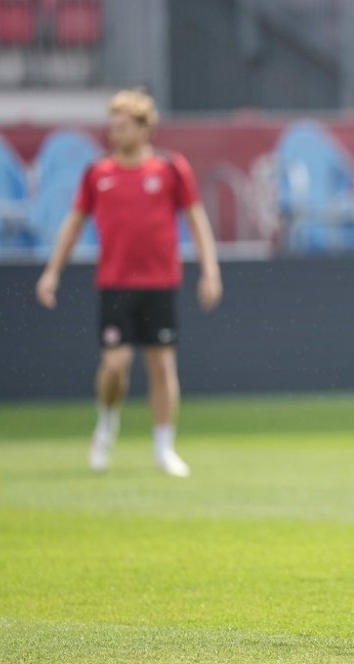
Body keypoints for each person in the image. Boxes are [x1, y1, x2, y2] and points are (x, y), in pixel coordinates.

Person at [36, 88, 222, 477]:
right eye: (111, 126)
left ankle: (164, 448)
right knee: (116, 363)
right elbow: (74, 223)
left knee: (161, 365)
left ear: (144, 128)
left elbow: (196, 219)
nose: (114, 133)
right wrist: (53, 271)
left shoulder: (171, 169)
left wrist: (210, 270)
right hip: (116, 284)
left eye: (122, 126)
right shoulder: (98, 173)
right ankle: (106, 425)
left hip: (160, 283)